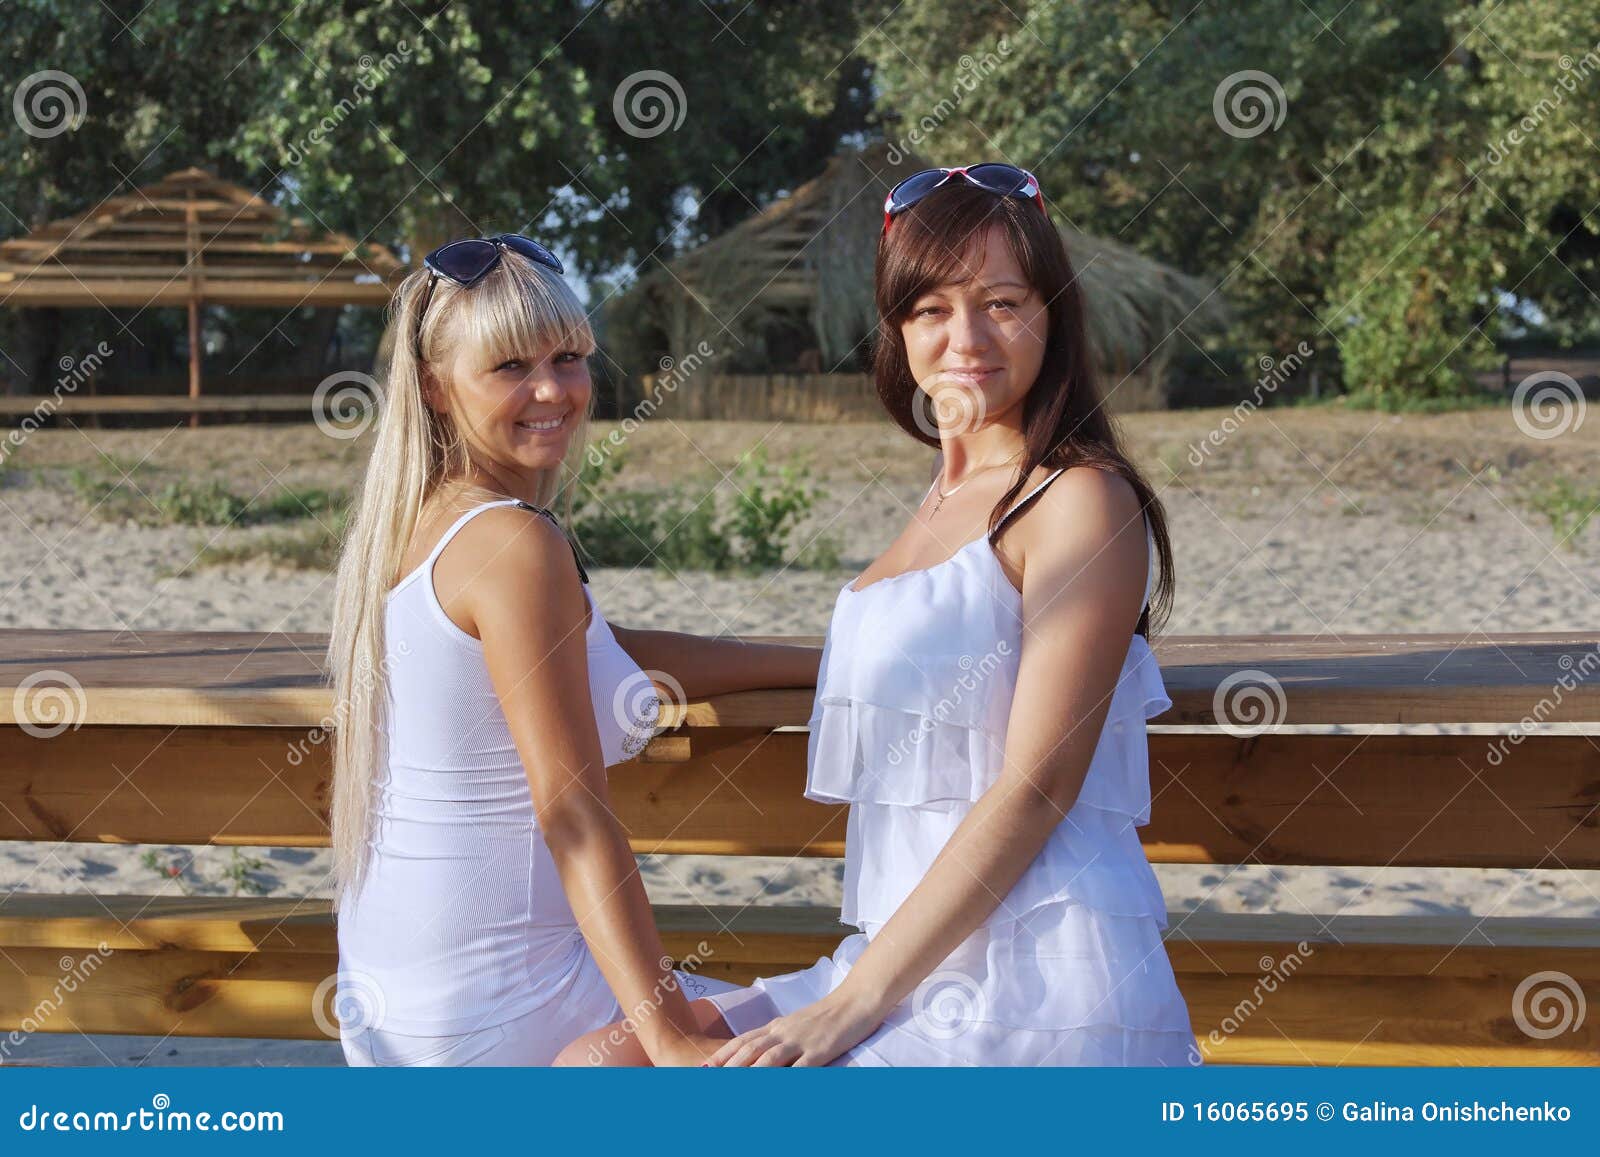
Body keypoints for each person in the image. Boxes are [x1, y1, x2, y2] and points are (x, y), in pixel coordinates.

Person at [558, 163, 1200, 1067]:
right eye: (930, 309)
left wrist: (851, 1005)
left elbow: (1038, 785)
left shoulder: (1078, 499)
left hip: (1031, 982)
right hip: (894, 964)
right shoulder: (939, 503)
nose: (966, 336)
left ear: (1054, 314)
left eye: (1003, 301)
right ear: (898, 330)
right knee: (601, 1063)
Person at [327, 234, 820, 1066]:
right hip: (502, 1018)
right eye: (511, 366)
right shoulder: (513, 544)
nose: (553, 389)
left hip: (391, 1015)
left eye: (569, 356)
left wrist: (821, 661)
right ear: (436, 388)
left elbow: (599, 651)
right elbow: (572, 813)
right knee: (858, 1006)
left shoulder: (416, 525)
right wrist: (667, 1038)